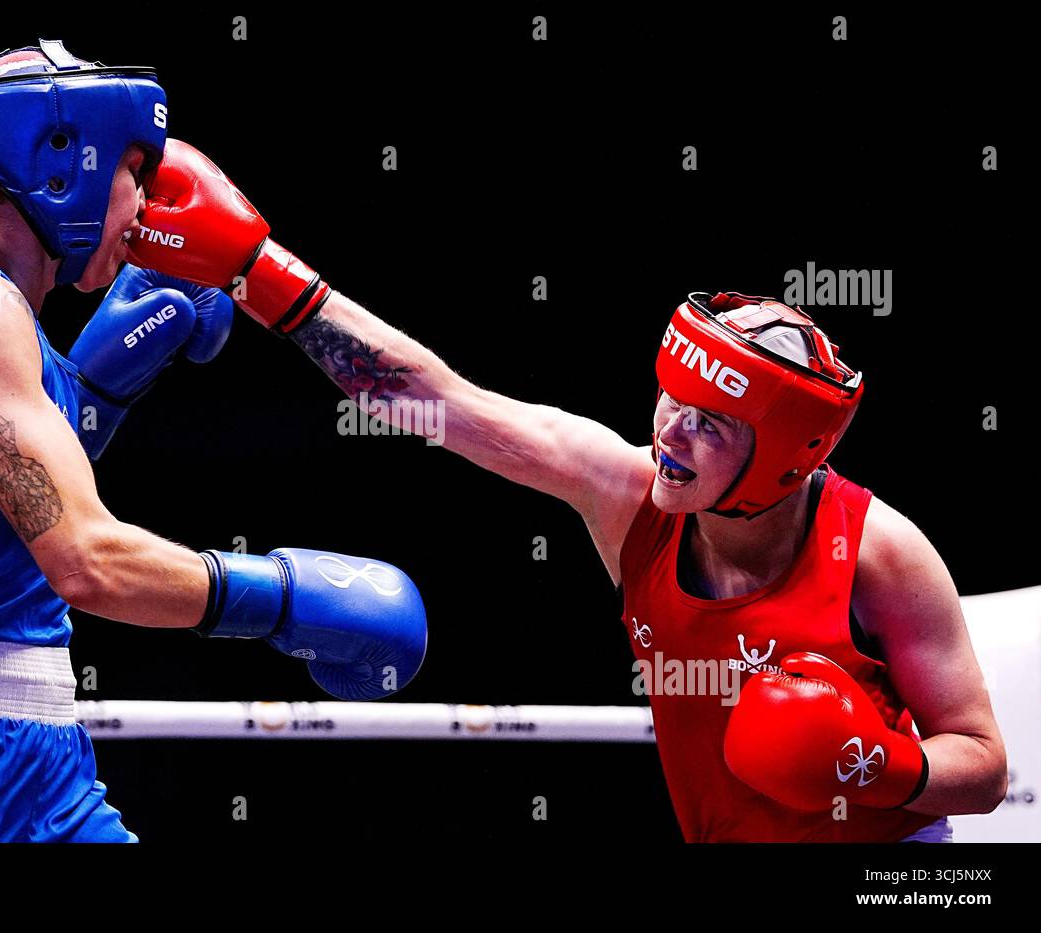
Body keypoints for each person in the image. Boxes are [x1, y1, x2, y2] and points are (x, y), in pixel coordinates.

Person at [119, 138, 1009, 842]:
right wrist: (258, 272)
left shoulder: (879, 552)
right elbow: (437, 402)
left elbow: (984, 762)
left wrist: (876, 768)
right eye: (673, 397)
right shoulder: (627, 495)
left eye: (711, 421)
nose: (670, 432)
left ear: (784, 454)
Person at [0, 41, 427, 843]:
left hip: (45, 760)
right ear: (61, 160)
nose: (144, 208)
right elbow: (84, 559)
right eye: (135, 172)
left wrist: (98, 386)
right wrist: (282, 598)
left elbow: (7, 508)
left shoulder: (5, 326)